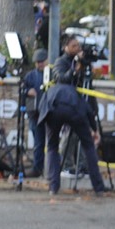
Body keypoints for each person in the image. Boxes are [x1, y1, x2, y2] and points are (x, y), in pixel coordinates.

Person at [37, 51, 107, 197]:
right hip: (74, 110)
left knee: (52, 147)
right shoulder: (74, 92)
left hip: (52, 109)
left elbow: (41, 107)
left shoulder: (52, 89)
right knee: (88, 146)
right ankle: (98, 187)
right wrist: (94, 131)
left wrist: (42, 123)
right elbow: (89, 110)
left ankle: (53, 186)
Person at [20, 49, 49, 178]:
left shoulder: (51, 74)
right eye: (37, 62)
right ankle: (38, 168)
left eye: (41, 62)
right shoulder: (30, 76)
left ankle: (47, 168)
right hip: (35, 113)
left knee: (50, 143)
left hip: (48, 112)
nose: (39, 65)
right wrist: (27, 91)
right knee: (38, 142)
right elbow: (22, 89)